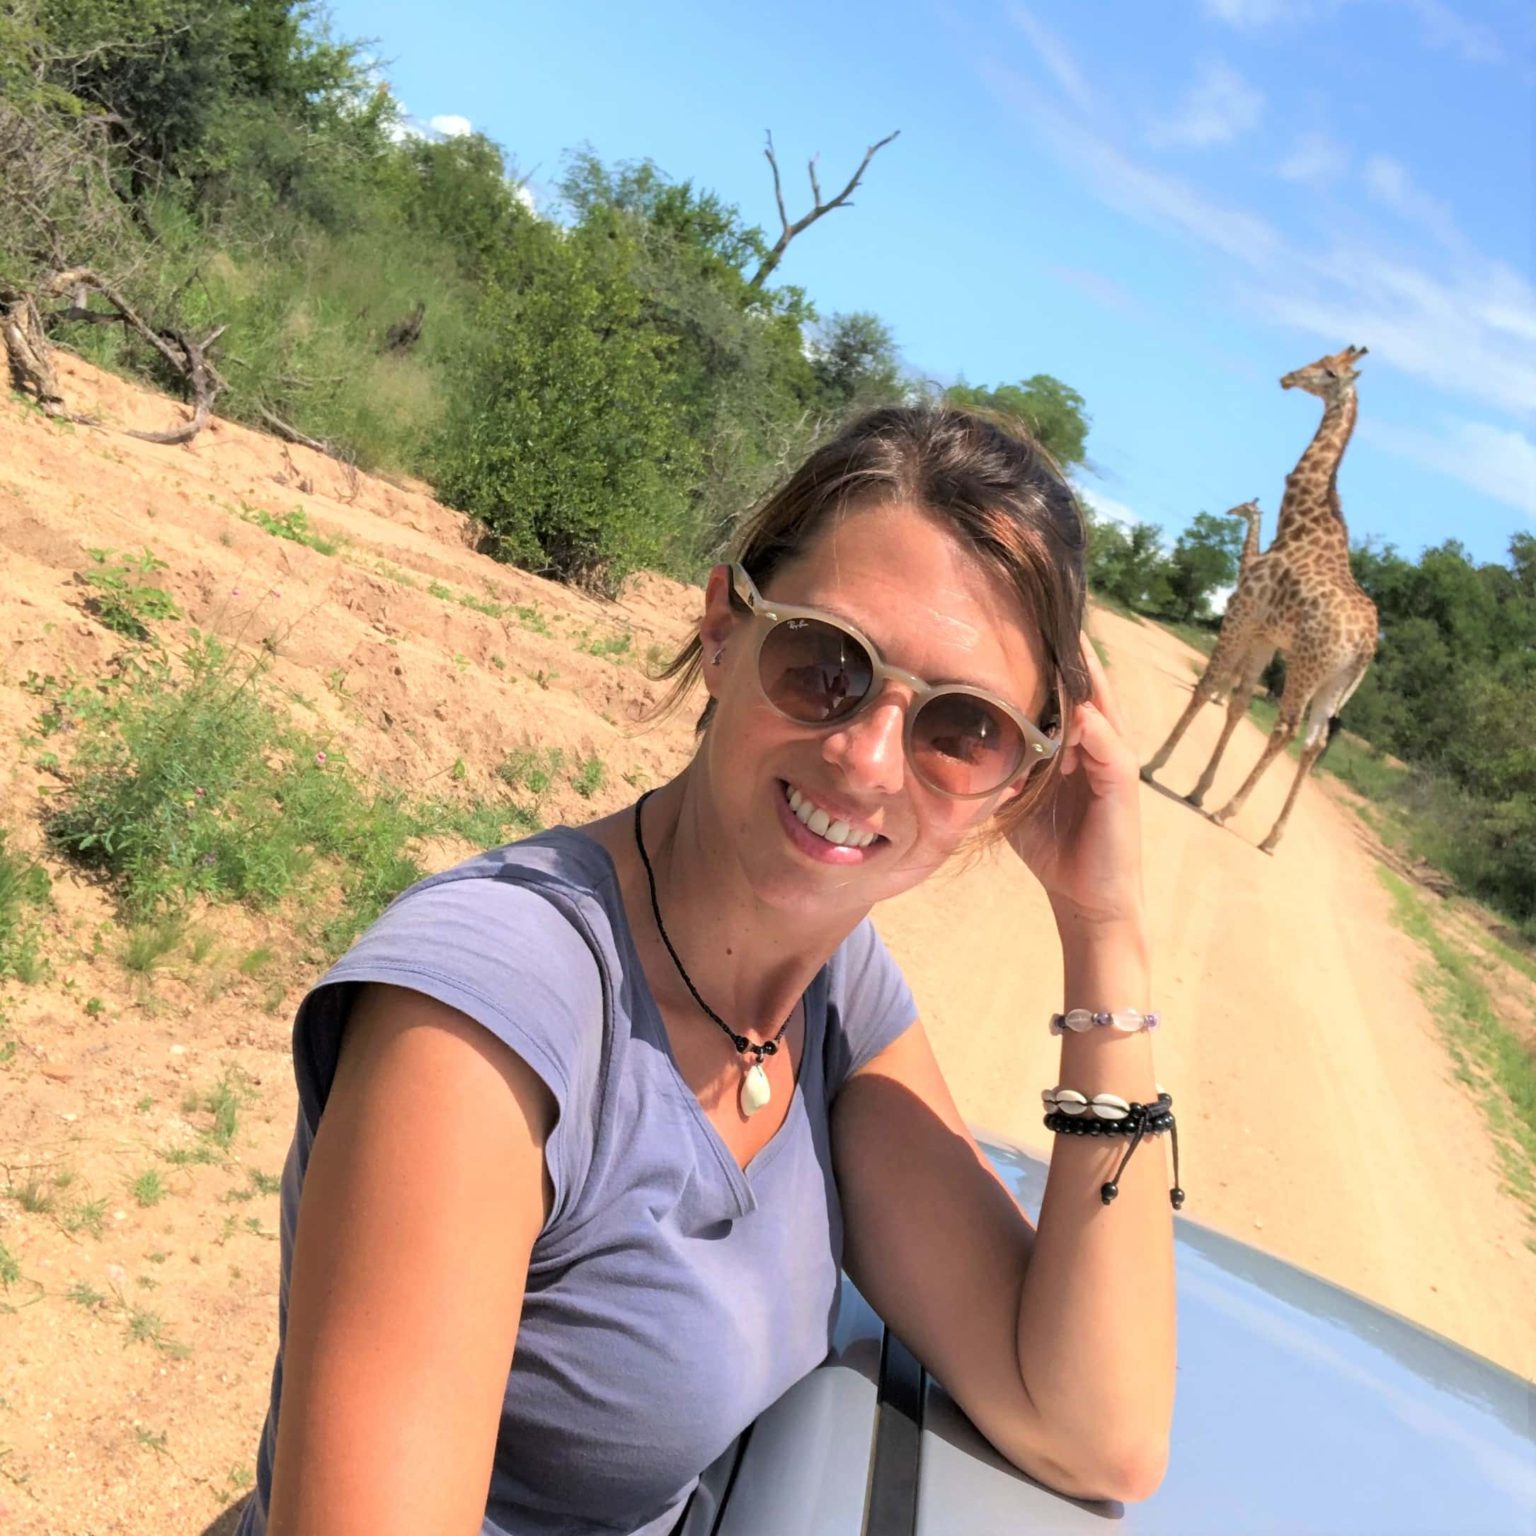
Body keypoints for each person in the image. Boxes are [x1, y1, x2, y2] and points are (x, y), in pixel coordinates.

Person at [237, 405, 1177, 1536]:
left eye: (961, 729)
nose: (868, 760)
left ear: (1017, 778)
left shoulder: (834, 991)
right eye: (826, 663)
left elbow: (1092, 1428)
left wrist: (1103, 924)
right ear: (727, 627)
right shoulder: (494, 1019)